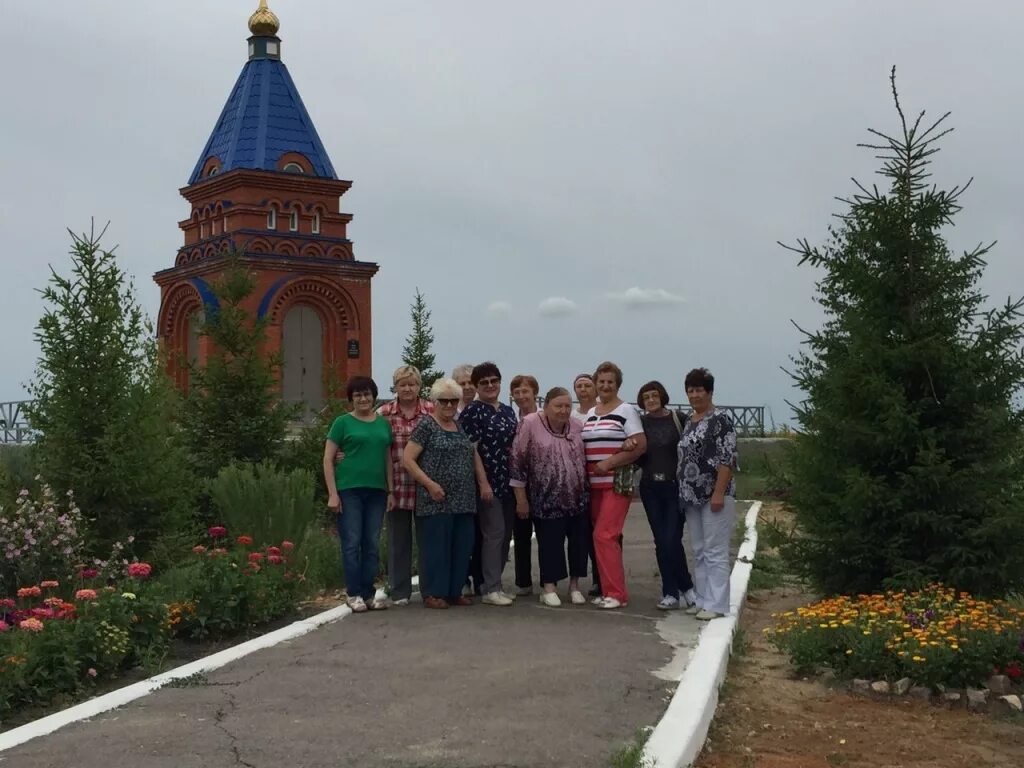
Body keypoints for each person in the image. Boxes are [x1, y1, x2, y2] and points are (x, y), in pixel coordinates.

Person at [403, 378, 491, 609]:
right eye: (444, 401)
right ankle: (434, 592)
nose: (449, 405)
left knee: (462, 546)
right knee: (436, 547)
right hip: (436, 498)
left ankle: (454, 590)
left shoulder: (459, 426)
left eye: (453, 401)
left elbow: (473, 455)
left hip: (463, 498)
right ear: (435, 402)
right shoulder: (426, 425)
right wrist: (429, 484)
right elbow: (408, 459)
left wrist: (483, 483)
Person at [510, 387, 589, 607]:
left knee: (578, 543)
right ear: (546, 407)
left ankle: (574, 586)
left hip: (577, 497)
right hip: (545, 497)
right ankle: (549, 586)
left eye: (567, 405)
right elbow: (517, 462)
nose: (563, 410)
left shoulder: (577, 426)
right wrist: (521, 499)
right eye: (558, 406)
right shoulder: (530, 423)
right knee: (550, 543)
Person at [323, 376, 395, 613]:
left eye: (367, 394)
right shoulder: (342, 423)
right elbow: (328, 458)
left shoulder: (383, 424)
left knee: (372, 544)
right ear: (351, 399)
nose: (363, 399)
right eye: (358, 395)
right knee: (352, 543)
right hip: (349, 490)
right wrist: (333, 494)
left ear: (373, 396)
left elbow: (387, 459)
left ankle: (368, 593)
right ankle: (353, 593)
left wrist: (391, 490)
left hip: (376, 491)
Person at [582, 361, 646, 609]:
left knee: (604, 535)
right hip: (593, 485)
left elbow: (639, 445)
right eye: (601, 381)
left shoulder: (627, 410)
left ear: (617, 384)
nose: (605, 385)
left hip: (616, 483)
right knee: (601, 537)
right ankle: (608, 589)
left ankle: (617, 593)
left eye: (610, 382)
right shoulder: (591, 413)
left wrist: (610, 462)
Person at [677, 368, 738, 621]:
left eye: (699, 390)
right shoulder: (690, 421)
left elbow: (728, 458)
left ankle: (717, 603)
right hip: (691, 496)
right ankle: (702, 599)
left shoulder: (721, 420)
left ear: (710, 392)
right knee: (699, 550)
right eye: (690, 391)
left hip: (714, 496)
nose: (694, 395)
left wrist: (718, 493)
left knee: (715, 551)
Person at [458, 362, 519, 606]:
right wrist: (483, 483)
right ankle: (490, 588)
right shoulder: (472, 412)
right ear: (476, 386)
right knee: (494, 533)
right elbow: (471, 451)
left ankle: (493, 582)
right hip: (487, 482)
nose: (490, 385)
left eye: (494, 380)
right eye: (484, 382)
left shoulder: (507, 411)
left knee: (505, 536)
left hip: (509, 482)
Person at [636, 380, 696, 611]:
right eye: (646, 397)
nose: (651, 400)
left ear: (662, 396)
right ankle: (671, 592)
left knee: (671, 538)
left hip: (674, 487)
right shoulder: (640, 423)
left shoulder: (678, 419)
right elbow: (637, 452)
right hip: (650, 488)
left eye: (654, 395)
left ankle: (687, 587)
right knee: (661, 541)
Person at [377, 365, 434, 606]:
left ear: (419, 386)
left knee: (428, 541)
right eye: (402, 384)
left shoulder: (432, 410)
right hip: (397, 485)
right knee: (398, 541)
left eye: (412, 384)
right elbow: (378, 447)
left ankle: (430, 588)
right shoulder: (384, 413)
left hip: (426, 485)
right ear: (395, 387)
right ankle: (399, 590)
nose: (408, 388)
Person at [453, 362, 483, 595]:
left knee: (481, 532)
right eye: (461, 383)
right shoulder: (450, 412)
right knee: (461, 533)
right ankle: (462, 578)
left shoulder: (486, 409)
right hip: (457, 481)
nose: (466, 388)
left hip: (484, 480)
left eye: (470, 383)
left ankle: (481, 577)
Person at [509, 373, 539, 596]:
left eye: (525, 391)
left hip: (543, 484)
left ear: (535, 393)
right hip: (518, 483)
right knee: (520, 534)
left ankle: (550, 578)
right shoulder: (511, 419)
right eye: (517, 392)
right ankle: (523, 581)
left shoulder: (544, 417)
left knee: (548, 534)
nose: (521, 396)